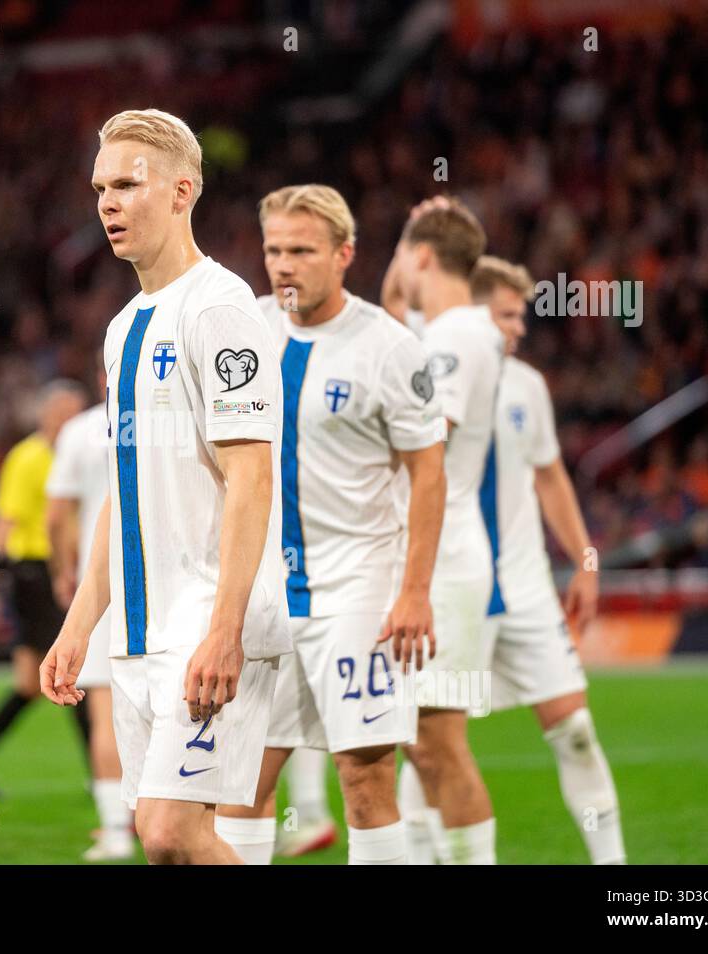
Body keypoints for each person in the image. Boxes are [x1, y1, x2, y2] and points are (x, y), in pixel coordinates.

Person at [40, 108, 291, 864]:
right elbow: (126, 489)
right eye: (99, 189)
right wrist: (81, 623)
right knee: (170, 848)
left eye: (127, 185)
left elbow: (251, 473)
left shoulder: (220, 309)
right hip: (141, 635)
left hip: (209, 619)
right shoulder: (123, 329)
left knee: (170, 832)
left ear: (182, 191)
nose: (107, 204)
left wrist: (225, 628)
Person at [215, 184, 446, 865]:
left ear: (345, 253)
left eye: (302, 251)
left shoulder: (388, 347)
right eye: (274, 250)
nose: (284, 265)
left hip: (358, 592)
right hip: (264, 598)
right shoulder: (244, 331)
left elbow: (429, 474)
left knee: (365, 773)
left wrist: (414, 592)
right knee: (244, 778)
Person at [468, 255, 626, 864]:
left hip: (527, 588)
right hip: (453, 590)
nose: (519, 328)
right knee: (435, 746)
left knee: (578, 732)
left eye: (522, 316)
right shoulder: (424, 374)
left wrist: (586, 559)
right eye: (507, 315)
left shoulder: (527, 386)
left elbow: (552, 477)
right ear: (471, 312)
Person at [382, 196, 501, 864]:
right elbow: (390, 310)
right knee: (416, 742)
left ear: (423, 255)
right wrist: (411, 233)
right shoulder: (445, 329)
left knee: (438, 746)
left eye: (403, 251)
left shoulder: (455, 338)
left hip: (444, 563)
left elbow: (429, 438)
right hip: (433, 556)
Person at [0, 380, 87, 798]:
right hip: (36, 574)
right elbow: (3, 525)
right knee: (77, 671)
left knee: (31, 682)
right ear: (44, 415)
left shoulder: (73, 456)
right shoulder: (28, 459)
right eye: (62, 414)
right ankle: (107, 778)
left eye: (75, 415)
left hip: (64, 572)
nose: (69, 423)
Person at [46, 367, 135, 860]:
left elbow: (57, 514)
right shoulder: (168, 419)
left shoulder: (79, 431)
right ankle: (164, 817)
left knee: (105, 712)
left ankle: (117, 832)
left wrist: (64, 571)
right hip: (164, 580)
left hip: (100, 585)